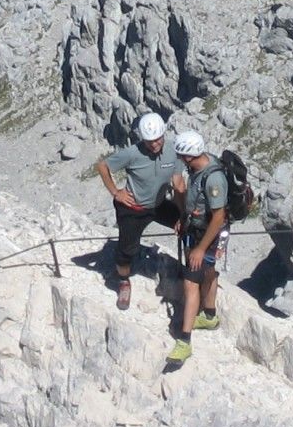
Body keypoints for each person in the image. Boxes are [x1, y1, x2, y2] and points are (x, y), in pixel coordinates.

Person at [94, 112, 181, 310]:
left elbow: (178, 182)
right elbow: (103, 166)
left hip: (158, 204)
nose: (154, 144)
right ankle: (123, 281)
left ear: (163, 135)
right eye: (150, 141)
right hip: (133, 208)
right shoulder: (132, 153)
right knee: (127, 251)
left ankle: (188, 272)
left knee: (188, 225)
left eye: (158, 139)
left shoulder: (172, 151)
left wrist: (181, 214)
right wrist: (116, 192)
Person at [166, 130, 227, 366]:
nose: (181, 159)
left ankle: (184, 341)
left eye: (182, 155)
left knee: (190, 283)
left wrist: (201, 248)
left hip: (208, 235)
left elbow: (219, 216)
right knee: (208, 272)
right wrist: (184, 214)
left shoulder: (213, 179)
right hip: (197, 229)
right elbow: (195, 201)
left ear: (190, 156)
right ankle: (209, 316)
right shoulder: (198, 166)